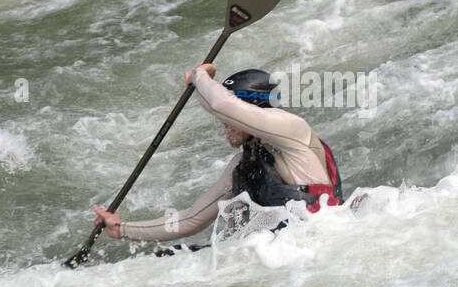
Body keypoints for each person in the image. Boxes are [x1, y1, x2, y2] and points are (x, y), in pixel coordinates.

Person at [92, 64, 342, 244]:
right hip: (277, 251)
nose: (225, 123)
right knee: (173, 255)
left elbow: (221, 105)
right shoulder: (244, 165)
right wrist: (123, 229)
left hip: (315, 244)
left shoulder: (293, 131)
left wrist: (200, 77)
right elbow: (193, 219)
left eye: (233, 117)